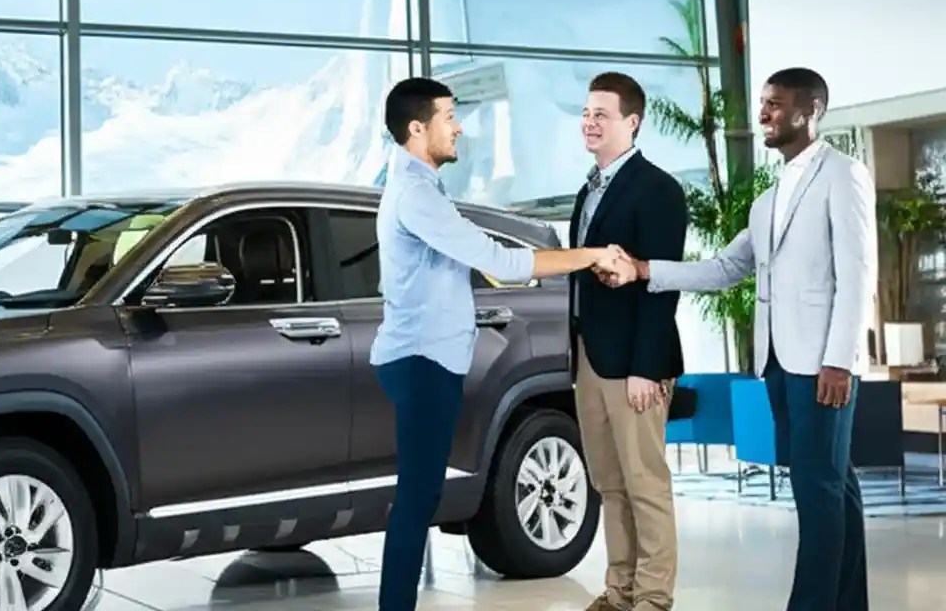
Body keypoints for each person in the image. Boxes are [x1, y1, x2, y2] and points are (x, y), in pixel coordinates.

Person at [603, 67, 875, 611]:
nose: (763, 114)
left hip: (822, 364)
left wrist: (839, 361)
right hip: (778, 363)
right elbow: (726, 267)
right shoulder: (768, 199)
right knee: (832, 487)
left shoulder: (843, 174)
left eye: (774, 104)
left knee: (817, 494)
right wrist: (643, 270)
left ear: (810, 110)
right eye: (763, 103)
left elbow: (858, 272)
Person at [371, 77, 626, 611]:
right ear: (417, 129)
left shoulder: (420, 188)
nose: (458, 124)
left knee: (420, 495)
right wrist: (589, 255)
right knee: (417, 498)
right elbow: (503, 262)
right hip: (422, 360)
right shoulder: (417, 196)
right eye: (448, 116)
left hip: (424, 356)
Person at [570, 72, 688, 611]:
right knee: (610, 485)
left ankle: (654, 599)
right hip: (591, 360)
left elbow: (662, 286)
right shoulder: (587, 191)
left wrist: (646, 367)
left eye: (603, 114)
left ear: (632, 122)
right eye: (587, 113)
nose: (590, 122)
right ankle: (619, 594)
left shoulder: (658, 189)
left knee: (645, 485)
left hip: (636, 365)